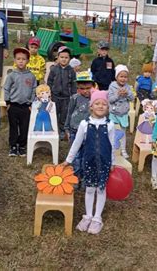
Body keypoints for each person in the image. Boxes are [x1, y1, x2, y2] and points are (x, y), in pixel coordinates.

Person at [62, 90, 115, 235]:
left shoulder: (110, 125)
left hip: (104, 162)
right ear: (91, 106)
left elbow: (112, 146)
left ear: (108, 108)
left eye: (104, 104)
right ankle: (88, 216)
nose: (100, 106)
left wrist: (112, 163)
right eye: (97, 103)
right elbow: (76, 143)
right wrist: (68, 160)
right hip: (89, 161)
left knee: (101, 189)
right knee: (90, 188)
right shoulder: (84, 124)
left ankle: (97, 218)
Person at [4, 47, 37, 157]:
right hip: (13, 105)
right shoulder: (12, 75)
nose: (21, 61)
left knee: (24, 126)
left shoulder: (31, 76)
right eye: (18, 59)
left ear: (28, 61)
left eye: (23, 59)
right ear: (14, 60)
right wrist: (7, 102)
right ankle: (13, 146)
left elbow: (34, 90)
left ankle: (22, 145)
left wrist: (31, 103)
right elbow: (6, 88)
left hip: (26, 107)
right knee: (13, 127)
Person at [65, 71, 95, 180]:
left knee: (86, 155)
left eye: (88, 88)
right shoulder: (74, 98)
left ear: (92, 86)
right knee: (76, 155)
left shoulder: (95, 99)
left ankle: (84, 177)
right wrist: (67, 128)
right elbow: (69, 112)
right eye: (82, 88)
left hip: (89, 132)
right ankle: (76, 177)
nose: (85, 91)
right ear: (78, 87)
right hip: (74, 130)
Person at [47, 46, 76, 140]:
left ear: (69, 59)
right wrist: (49, 93)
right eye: (62, 57)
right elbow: (49, 82)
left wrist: (73, 95)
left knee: (64, 114)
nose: (64, 59)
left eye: (66, 57)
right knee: (54, 113)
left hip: (66, 97)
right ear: (58, 58)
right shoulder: (54, 69)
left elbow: (73, 84)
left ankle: (63, 130)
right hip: (55, 96)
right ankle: (54, 130)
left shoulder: (71, 71)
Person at [108, 65, 134, 159]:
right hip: (114, 114)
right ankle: (112, 149)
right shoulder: (112, 86)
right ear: (116, 77)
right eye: (121, 76)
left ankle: (123, 150)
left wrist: (127, 93)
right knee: (113, 132)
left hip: (123, 113)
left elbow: (132, 99)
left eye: (125, 77)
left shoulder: (128, 87)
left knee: (123, 133)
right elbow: (110, 100)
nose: (123, 79)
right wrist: (118, 95)